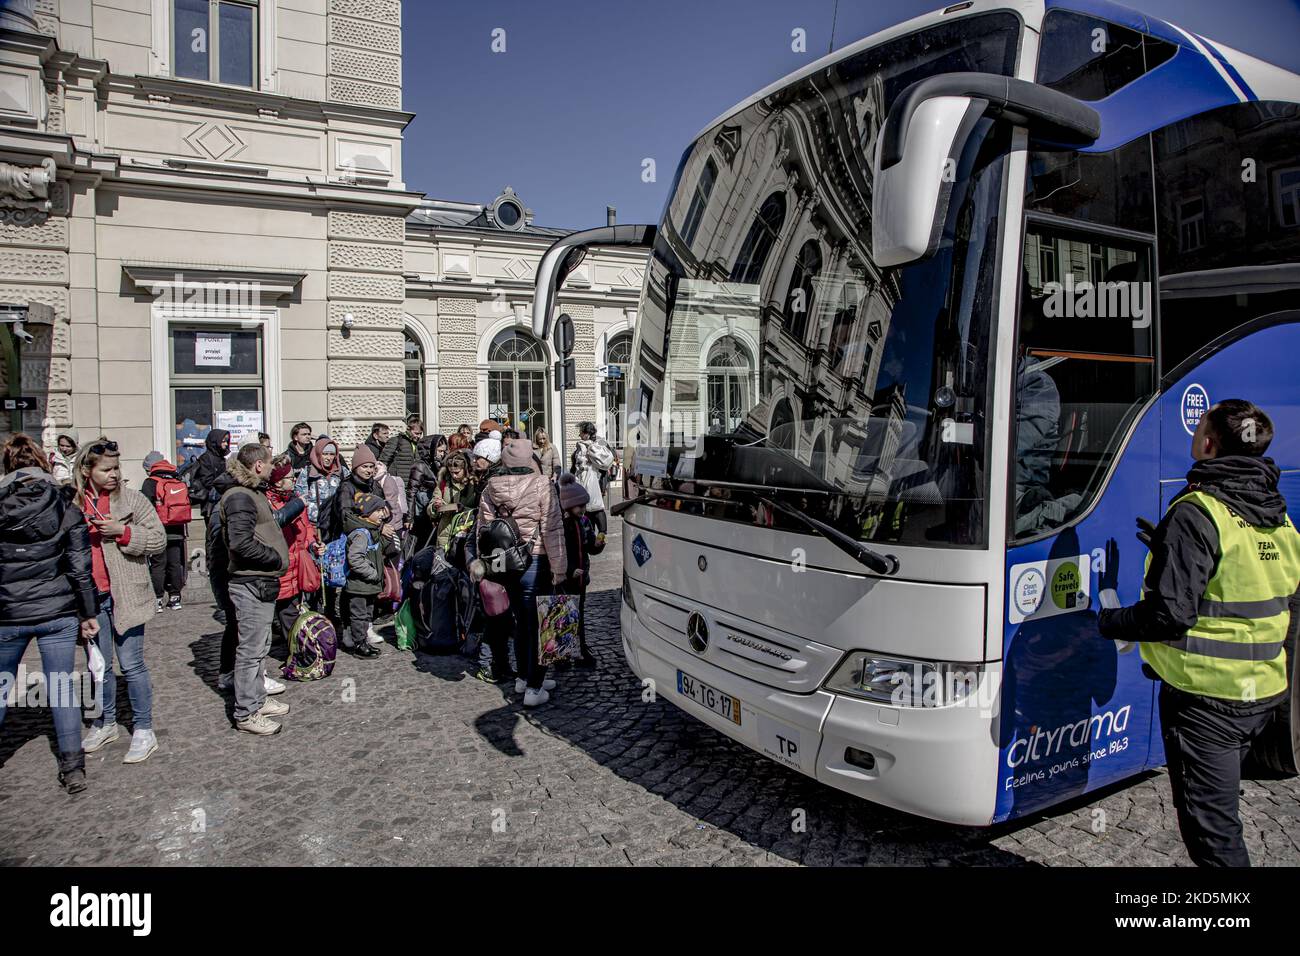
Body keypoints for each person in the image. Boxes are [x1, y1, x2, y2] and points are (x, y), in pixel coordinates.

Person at [1099, 400, 1300, 867]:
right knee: (1220, 819)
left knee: (1213, 835)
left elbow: (1168, 617)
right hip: (1262, 691)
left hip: (1207, 701)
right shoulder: (1279, 517)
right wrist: (1176, 554)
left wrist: (1110, 622)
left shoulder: (1199, 512)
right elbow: (1254, 583)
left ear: (1207, 443)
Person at [0, 435, 99, 793]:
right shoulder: (64, 504)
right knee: (61, 688)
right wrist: (89, 612)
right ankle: (73, 767)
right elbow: (79, 568)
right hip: (57, 610)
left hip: (7, 611)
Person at [75, 438, 165, 765]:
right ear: (88, 470)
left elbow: (157, 539)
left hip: (126, 594)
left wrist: (123, 533)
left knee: (132, 664)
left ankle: (143, 729)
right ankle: (106, 722)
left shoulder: (133, 500)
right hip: (91, 598)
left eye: (117, 468)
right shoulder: (74, 503)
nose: (114, 474)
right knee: (99, 667)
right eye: (106, 469)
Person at [470, 437, 568, 707]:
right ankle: (534, 688)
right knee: (539, 626)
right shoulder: (541, 485)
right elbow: (552, 529)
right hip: (535, 560)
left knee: (520, 624)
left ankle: (524, 678)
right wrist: (560, 569)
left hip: (506, 564)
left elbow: (484, 531)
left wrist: (485, 565)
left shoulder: (491, 487)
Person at [218, 443, 291, 736]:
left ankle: (258, 698)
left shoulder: (252, 492)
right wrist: (274, 558)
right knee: (249, 650)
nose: (274, 468)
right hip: (251, 581)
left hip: (260, 580)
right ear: (258, 466)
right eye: (270, 463)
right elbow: (240, 542)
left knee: (260, 645)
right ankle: (247, 712)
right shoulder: (239, 496)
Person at [265, 454, 319, 643]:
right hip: (283, 565)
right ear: (278, 482)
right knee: (287, 612)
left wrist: (313, 544)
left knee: (295, 611)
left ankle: (296, 650)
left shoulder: (295, 499)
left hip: (299, 563)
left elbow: (307, 528)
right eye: (289, 478)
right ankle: (296, 655)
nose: (294, 480)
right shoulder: (270, 504)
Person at [555, 473, 604, 669]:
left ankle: (580, 649)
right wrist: (568, 571)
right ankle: (563, 653)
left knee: (579, 615)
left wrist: (598, 544)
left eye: (584, 505)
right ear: (568, 506)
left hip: (582, 578)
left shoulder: (584, 522)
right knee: (564, 614)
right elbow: (559, 553)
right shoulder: (562, 526)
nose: (584, 510)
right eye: (580, 506)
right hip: (567, 580)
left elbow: (591, 546)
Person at [342, 492, 398, 659]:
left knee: (366, 614)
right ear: (367, 513)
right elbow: (355, 559)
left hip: (367, 585)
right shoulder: (361, 534)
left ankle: (363, 641)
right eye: (379, 510)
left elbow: (381, 549)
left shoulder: (371, 530)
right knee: (359, 616)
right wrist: (373, 573)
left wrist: (387, 534)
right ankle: (359, 644)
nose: (382, 514)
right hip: (359, 584)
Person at [140, 451, 190, 611]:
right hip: (177, 529)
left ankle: (158, 599)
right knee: (175, 564)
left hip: (158, 529)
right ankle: (175, 598)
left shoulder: (150, 482)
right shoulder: (176, 478)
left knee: (158, 564)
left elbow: (145, 507)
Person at [294, 436, 346, 532]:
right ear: (318, 454)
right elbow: (301, 498)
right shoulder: (307, 472)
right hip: (314, 525)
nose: (328, 458)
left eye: (332, 454)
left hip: (336, 524)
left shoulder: (342, 472)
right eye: (325, 454)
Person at [572, 421, 615, 535]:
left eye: (581, 432)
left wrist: (591, 451)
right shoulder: (580, 446)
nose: (579, 435)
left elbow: (607, 460)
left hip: (592, 480)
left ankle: (602, 534)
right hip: (581, 480)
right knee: (586, 508)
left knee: (595, 506)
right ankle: (589, 536)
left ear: (586, 433)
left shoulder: (595, 445)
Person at [184, 428, 231, 521]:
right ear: (215, 441)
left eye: (227, 441)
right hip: (211, 503)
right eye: (223, 441)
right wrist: (224, 484)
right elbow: (208, 481)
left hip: (222, 501)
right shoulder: (206, 458)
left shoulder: (221, 458)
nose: (226, 444)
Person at [379, 414, 423, 487]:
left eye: (420, 434)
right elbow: (383, 461)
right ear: (408, 429)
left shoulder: (420, 444)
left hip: (414, 485)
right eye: (416, 433)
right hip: (397, 484)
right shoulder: (396, 441)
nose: (418, 436)